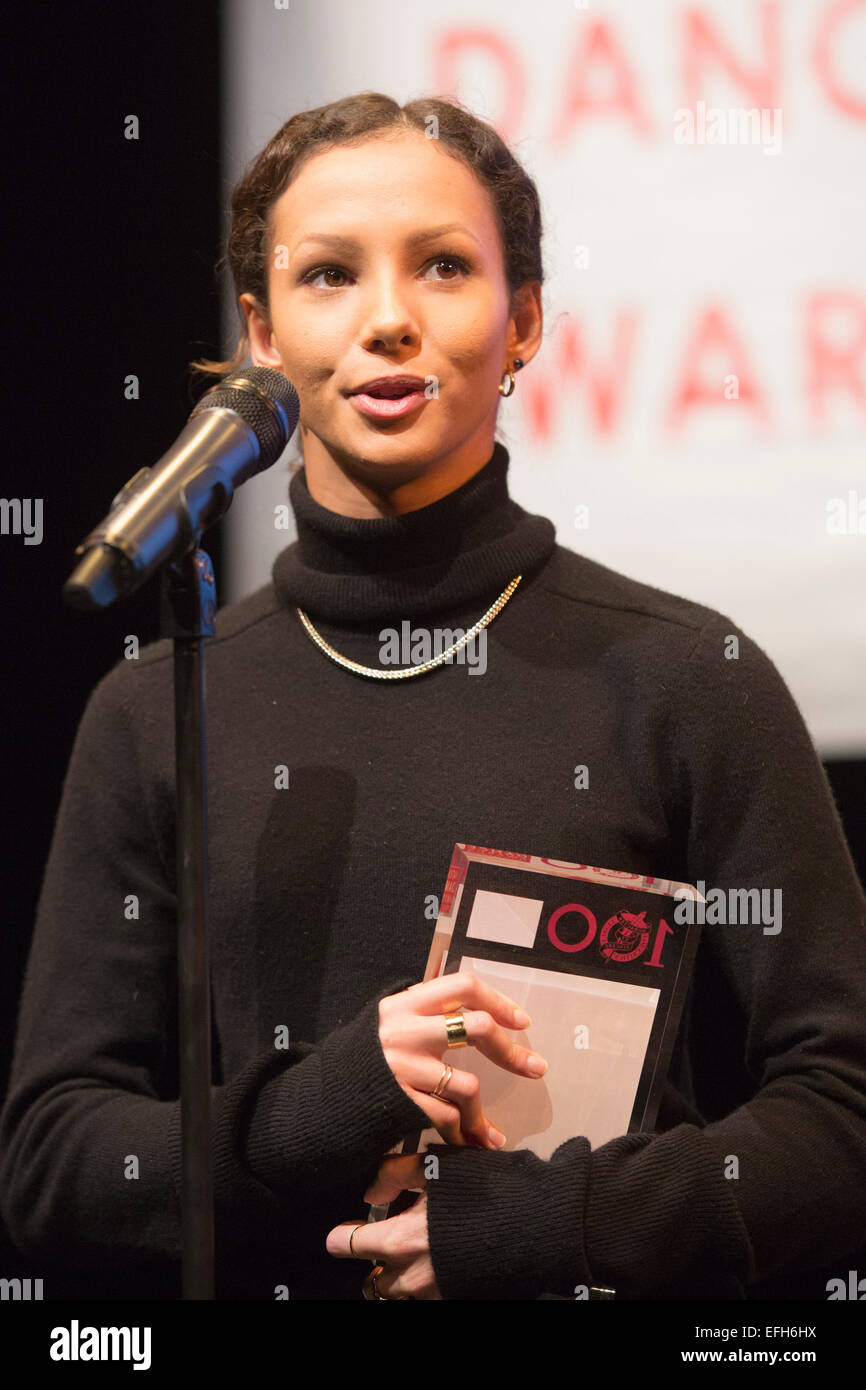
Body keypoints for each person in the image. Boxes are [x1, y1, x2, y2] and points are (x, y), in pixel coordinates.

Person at [2, 90, 866, 1303]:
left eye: (444, 268)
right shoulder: (159, 705)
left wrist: (548, 1228)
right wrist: (331, 1099)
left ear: (522, 323)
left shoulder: (683, 678)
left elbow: (841, 1118)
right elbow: (52, 1163)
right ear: (259, 334)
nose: (389, 320)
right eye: (329, 277)